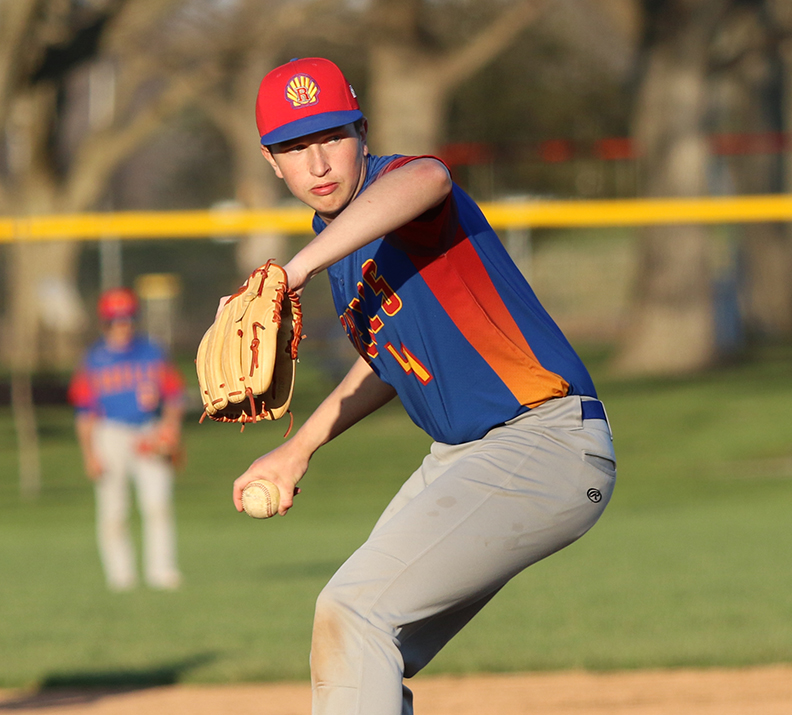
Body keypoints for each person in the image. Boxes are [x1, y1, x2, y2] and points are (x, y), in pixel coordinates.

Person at [233, 57, 617, 715]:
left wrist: (289, 272)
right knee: (362, 641)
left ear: (362, 132)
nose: (320, 162)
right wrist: (298, 450)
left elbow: (431, 178)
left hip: (543, 438)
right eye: (297, 147)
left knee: (355, 610)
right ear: (273, 163)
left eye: (332, 136)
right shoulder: (338, 253)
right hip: (464, 457)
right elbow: (384, 363)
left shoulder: (398, 190)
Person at [68, 287, 184, 591]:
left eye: (127, 318)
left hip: (149, 431)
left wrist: (170, 428)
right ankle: (120, 575)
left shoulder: (151, 352)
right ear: (105, 322)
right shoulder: (94, 359)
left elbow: (173, 396)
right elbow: (84, 412)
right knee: (112, 510)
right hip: (110, 434)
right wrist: (89, 453)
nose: (122, 325)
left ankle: (162, 571)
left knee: (157, 504)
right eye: (115, 320)